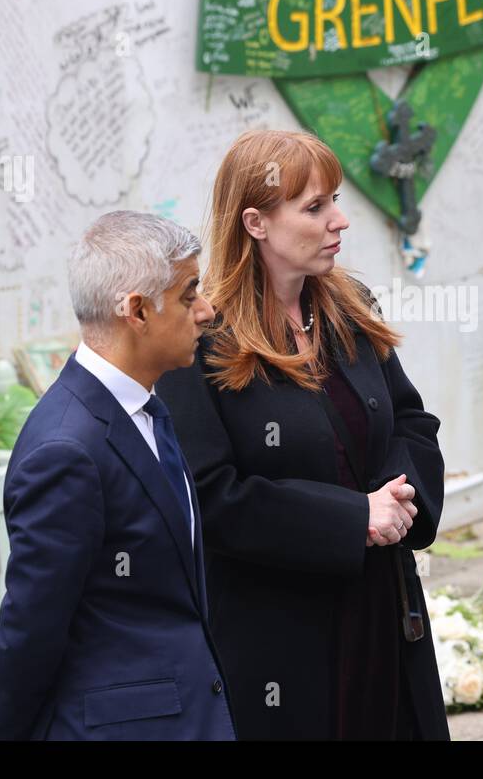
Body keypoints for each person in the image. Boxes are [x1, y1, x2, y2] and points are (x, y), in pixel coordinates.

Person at [158, 129, 449, 740]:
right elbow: (210, 496)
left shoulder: (349, 308)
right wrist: (352, 518)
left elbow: (411, 422)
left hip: (386, 616)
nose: (340, 220)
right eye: (315, 207)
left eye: (334, 200)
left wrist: (397, 499)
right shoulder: (203, 341)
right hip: (285, 641)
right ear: (256, 222)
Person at [0, 211, 235, 740]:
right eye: (190, 294)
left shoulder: (146, 406)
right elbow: (29, 631)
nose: (207, 311)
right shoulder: (65, 450)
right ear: (137, 311)